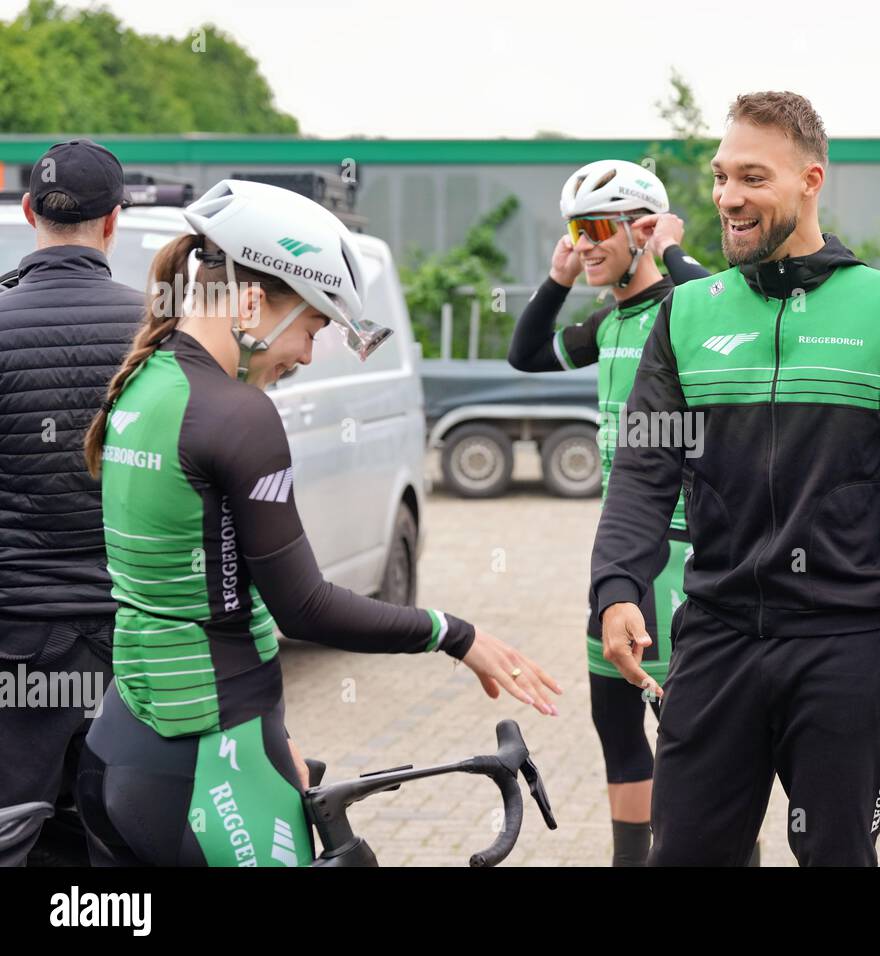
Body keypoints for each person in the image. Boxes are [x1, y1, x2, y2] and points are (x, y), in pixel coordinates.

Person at [74, 179, 560, 866]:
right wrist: (455, 635)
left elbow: (211, 582)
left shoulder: (146, 381)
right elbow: (304, 606)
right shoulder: (237, 414)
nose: (306, 354)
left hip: (128, 744)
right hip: (211, 758)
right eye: (311, 325)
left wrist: (269, 739)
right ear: (249, 302)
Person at [590, 91, 880, 866]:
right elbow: (643, 470)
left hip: (842, 648)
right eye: (723, 177)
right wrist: (618, 586)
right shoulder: (688, 313)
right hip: (715, 638)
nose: (728, 197)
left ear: (810, 181)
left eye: (752, 177)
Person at [508, 160, 711, 866]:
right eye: (575, 229)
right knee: (618, 733)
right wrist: (560, 276)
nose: (585, 242)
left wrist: (672, 251)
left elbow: (725, 299)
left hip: (684, 558)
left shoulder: (685, 306)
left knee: (702, 748)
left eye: (597, 228)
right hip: (620, 562)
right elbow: (526, 353)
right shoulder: (611, 321)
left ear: (641, 229)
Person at [0, 141, 142, 866]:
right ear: (114, 221)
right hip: (134, 642)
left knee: (14, 835)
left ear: (28, 212)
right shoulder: (156, 333)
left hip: (18, 644)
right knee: (115, 837)